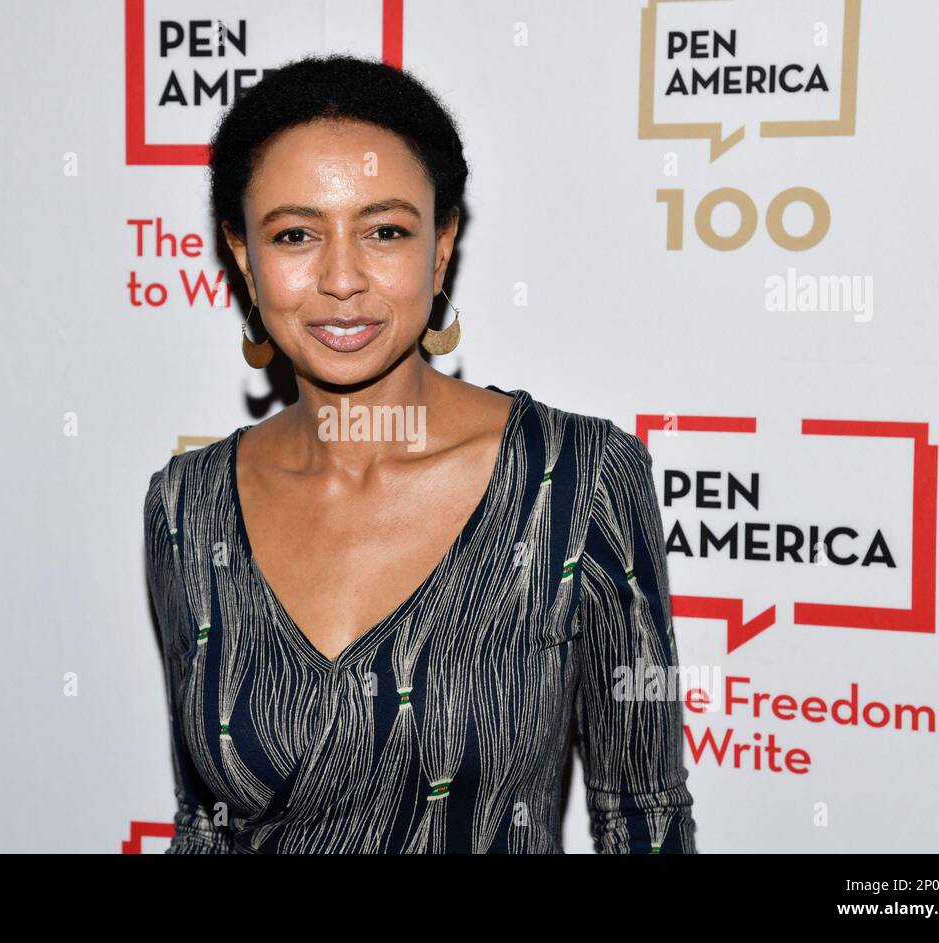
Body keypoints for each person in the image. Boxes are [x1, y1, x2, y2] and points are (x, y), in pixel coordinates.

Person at [144, 53, 697, 853]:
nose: (341, 278)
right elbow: (203, 827)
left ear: (441, 247)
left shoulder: (578, 479)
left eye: (386, 231)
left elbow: (643, 816)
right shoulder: (185, 505)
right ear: (241, 254)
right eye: (295, 233)